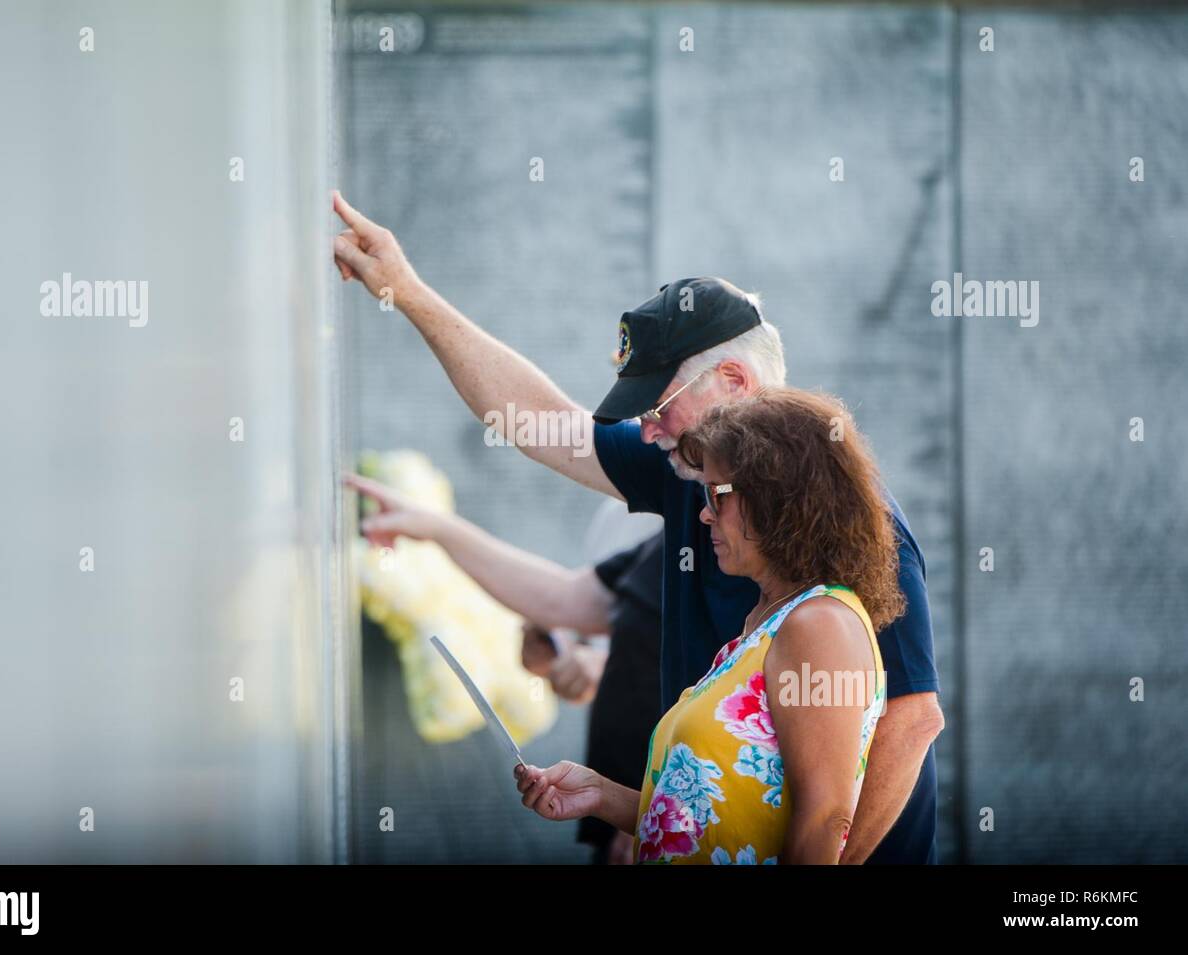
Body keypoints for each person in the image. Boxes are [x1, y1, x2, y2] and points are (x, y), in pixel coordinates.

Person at [331, 191, 944, 863]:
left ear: (734, 381)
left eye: (657, 407)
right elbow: (545, 424)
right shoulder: (688, 472)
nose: (646, 433)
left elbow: (909, 721)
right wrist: (406, 291)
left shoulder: (856, 527)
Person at [517, 389, 900, 863]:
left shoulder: (818, 625)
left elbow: (825, 818)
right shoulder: (765, 623)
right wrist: (599, 794)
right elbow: (713, 818)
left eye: (716, 494)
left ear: (779, 499)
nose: (703, 513)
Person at [345, 473, 662, 864]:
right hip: (617, 809)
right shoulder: (631, 519)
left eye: (662, 411)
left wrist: (652, 821)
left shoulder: (722, 537)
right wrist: (436, 527)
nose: (649, 428)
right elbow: (571, 602)